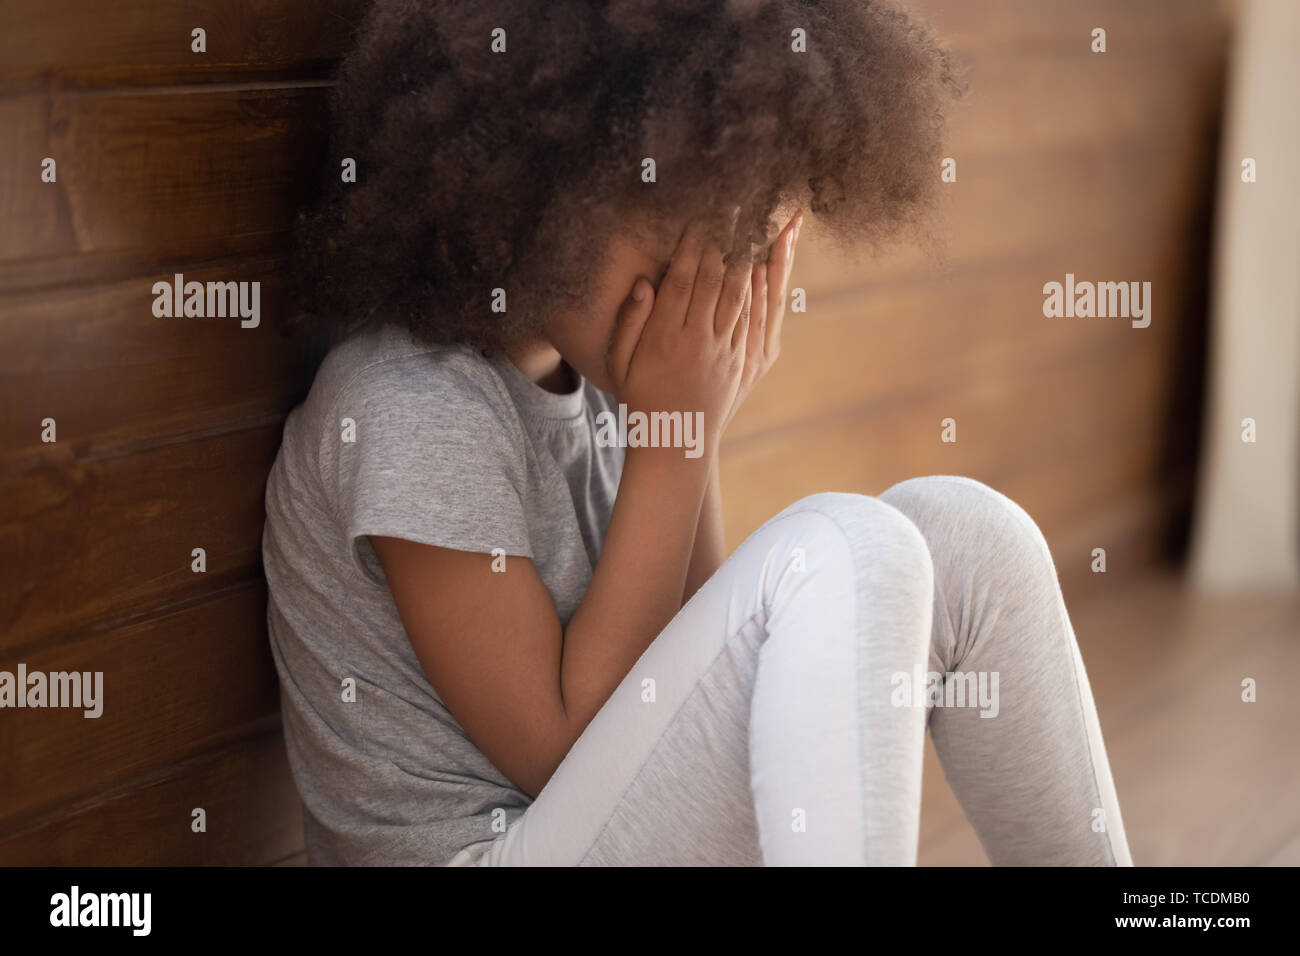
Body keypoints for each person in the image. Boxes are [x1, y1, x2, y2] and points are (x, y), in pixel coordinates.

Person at [262, 0, 1132, 866]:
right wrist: (677, 436)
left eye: (739, 255)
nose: (704, 302)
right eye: (676, 264)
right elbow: (562, 753)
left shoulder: (610, 381)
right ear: (536, 198)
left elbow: (692, 664)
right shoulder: (406, 403)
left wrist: (688, 424)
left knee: (967, 533)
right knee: (854, 544)